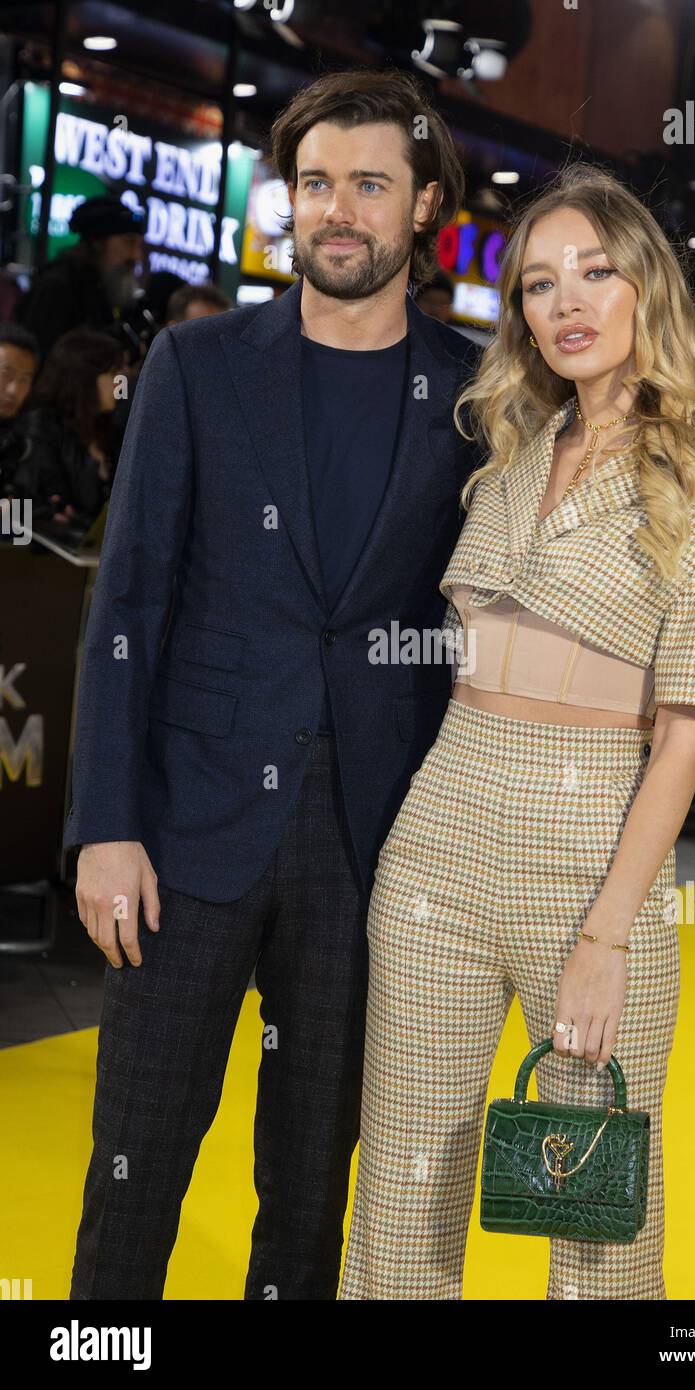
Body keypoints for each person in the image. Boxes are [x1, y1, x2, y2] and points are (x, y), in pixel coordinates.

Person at [338, 162, 695, 1301]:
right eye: (539, 282)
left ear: (647, 285)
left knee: (593, 1217)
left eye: (596, 271)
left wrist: (603, 938)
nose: (568, 302)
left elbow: (683, 741)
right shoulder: (500, 463)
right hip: (438, 829)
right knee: (399, 1191)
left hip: (597, 842)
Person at [64, 67, 480, 1300]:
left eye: (368, 184)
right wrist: (104, 827)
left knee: (310, 1190)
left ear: (422, 210)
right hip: (185, 835)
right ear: (285, 202)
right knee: (132, 1167)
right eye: (313, 184)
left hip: (372, 848)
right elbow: (127, 601)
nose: (336, 210)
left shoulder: (478, 396)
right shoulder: (196, 367)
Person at [13, 327, 124, 529]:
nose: (119, 383)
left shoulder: (109, 430)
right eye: (112, 374)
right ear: (86, 379)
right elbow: (50, 503)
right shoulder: (42, 426)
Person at [17, 195, 145, 360]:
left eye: (139, 246)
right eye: (129, 243)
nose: (137, 256)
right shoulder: (57, 288)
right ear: (98, 243)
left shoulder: (102, 292)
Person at [0, 323, 38, 502]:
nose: (14, 390)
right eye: (6, 373)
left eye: (24, 380)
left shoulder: (23, 441)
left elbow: (20, 514)